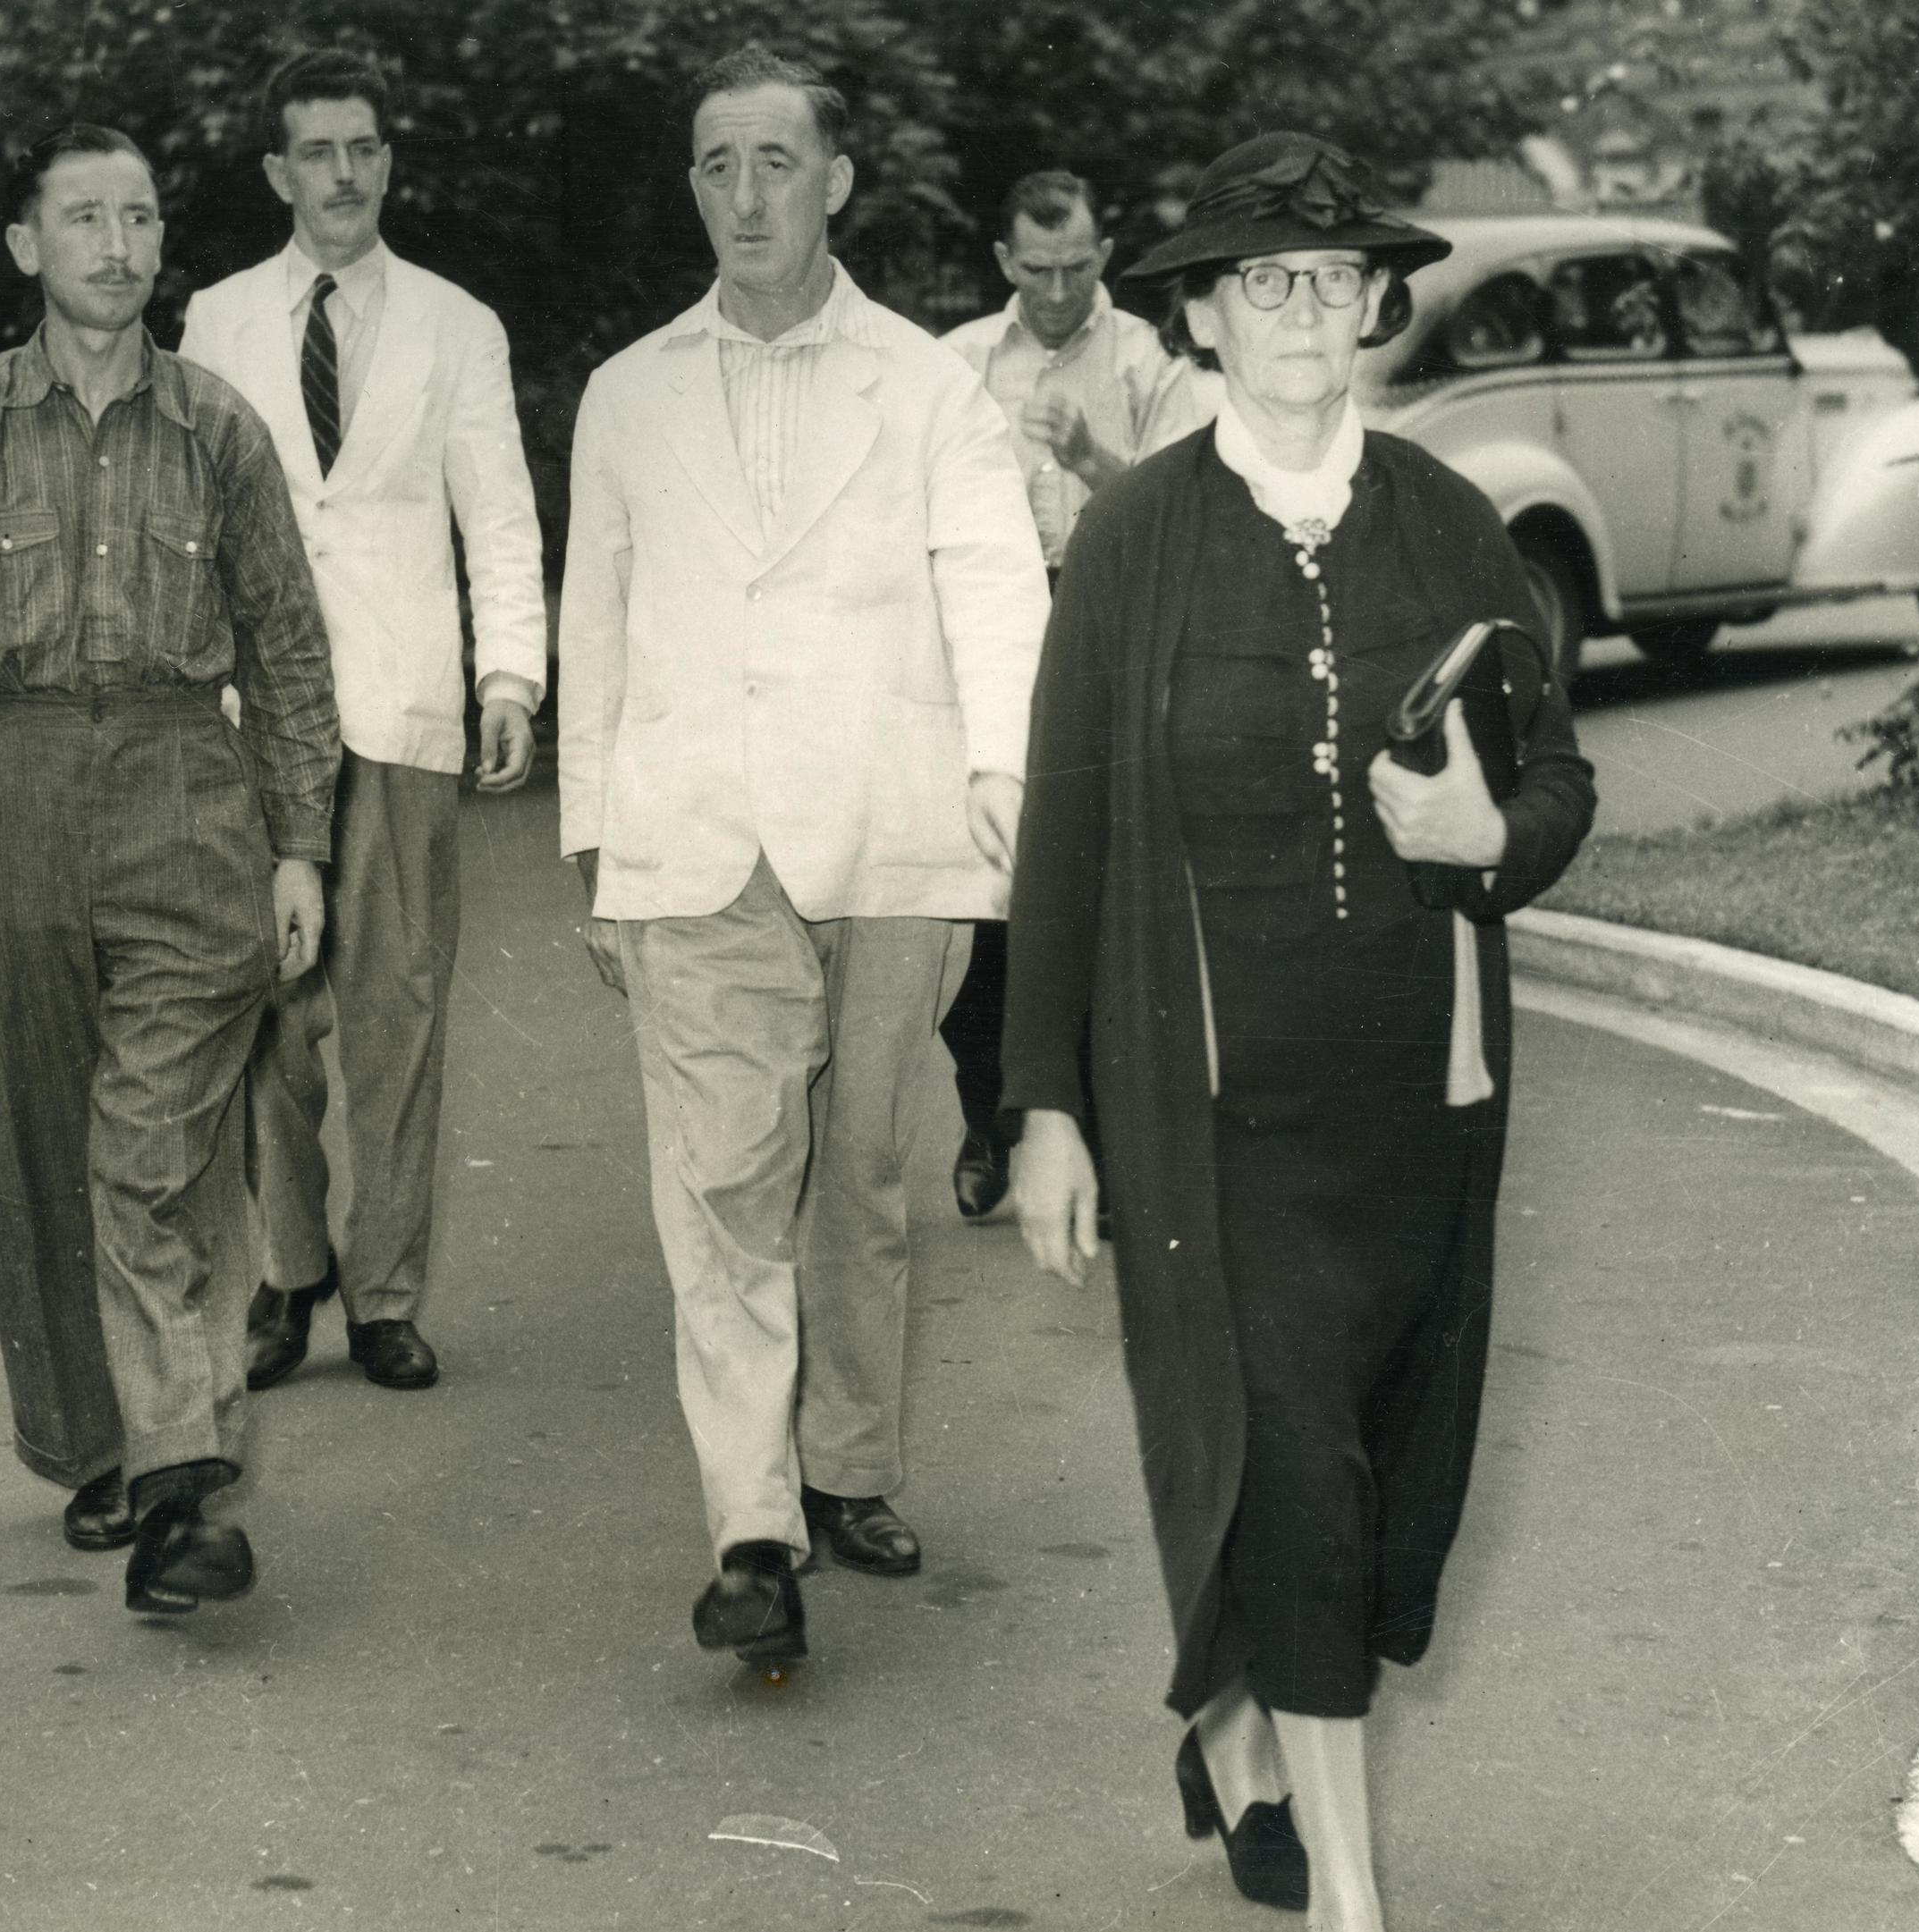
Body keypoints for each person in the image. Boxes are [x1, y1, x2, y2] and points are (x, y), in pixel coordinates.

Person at [1002, 133, 1594, 1928]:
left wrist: (1489, 836)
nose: (1302, 312)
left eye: (1332, 279)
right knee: (1298, 1483)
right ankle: (1350, 1893)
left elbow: (1558, 780)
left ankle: (1241, 1722)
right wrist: (1046, 1104)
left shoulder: (1450, 519)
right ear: (1202, 314)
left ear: (1375, 307)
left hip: (1416, 1099)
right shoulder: (1135, 537)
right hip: (1213, 1115)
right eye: (1264, 281)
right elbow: (1062, 833)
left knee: (1371, 1479)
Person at [559, 46, 1050, 1666]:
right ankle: (753, 1530)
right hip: (695, 840)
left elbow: (997, 591)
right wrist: (593, 837)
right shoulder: (629, 394)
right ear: (693, 189)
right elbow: (595, 620)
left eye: (777, 161)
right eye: (719, 165)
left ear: (834, 182)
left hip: (892, 836)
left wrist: (1003, 785)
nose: (747, 194)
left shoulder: (928, 388)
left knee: (858, 1178)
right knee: (723, 1184)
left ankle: (846, 1463)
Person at [0, 125, 341, 1617]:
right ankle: (98, 1444)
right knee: (39, 1139)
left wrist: (299, 845)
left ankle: (181, 1482)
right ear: (26, 247)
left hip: (187, 797)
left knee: (152, 1146)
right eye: (84, 220)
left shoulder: (220, 430)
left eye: (140, 218)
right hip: (5, 794)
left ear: (164, 242)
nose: (117, 247)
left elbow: (289, 653)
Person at [180, 49, 546, 1396]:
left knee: (397, 1010)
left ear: (387, 162)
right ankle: (290, 1271)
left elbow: (498, 513)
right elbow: (190, 519)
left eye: (365, 148)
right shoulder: (217, 320)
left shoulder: (458, 323)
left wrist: (509, 678)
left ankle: (385, 1292)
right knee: (265, 1017)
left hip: (400, 710)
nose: (345, 174)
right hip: (252, 718)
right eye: (318, 152)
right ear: (278, 172)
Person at [936, 169, 1215, 1220]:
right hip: (990, 632)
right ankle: (989, 1113)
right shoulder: (956, 364)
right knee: (981, 891)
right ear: (1004, 262)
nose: (1057, 292)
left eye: (1076, 269)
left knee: (1096, 885)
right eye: (1036, 271)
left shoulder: (1153, 361)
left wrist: (1093, 457)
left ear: (1104, 255)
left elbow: (1189, 514)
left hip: (1111, 630)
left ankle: (1086, 1124)